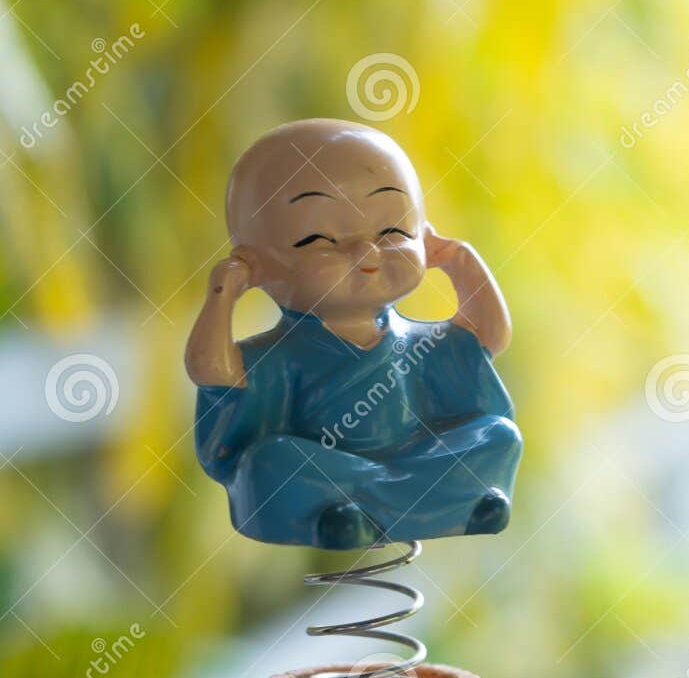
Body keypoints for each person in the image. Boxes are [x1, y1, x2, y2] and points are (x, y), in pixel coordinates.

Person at [185, 118, 521, 548]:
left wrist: (459, 259)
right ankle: (429, 502)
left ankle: (359, 508)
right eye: (318, 240)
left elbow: (489, 336)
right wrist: (222, 294)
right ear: (256, 263)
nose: (367, 253)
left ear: (422, 236)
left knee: (498, 435)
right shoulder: (281, 356)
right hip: (327, 468)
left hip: (411, 459)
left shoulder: (420, 344)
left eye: (393, 232)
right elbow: (211, 371)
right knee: (270, 462)